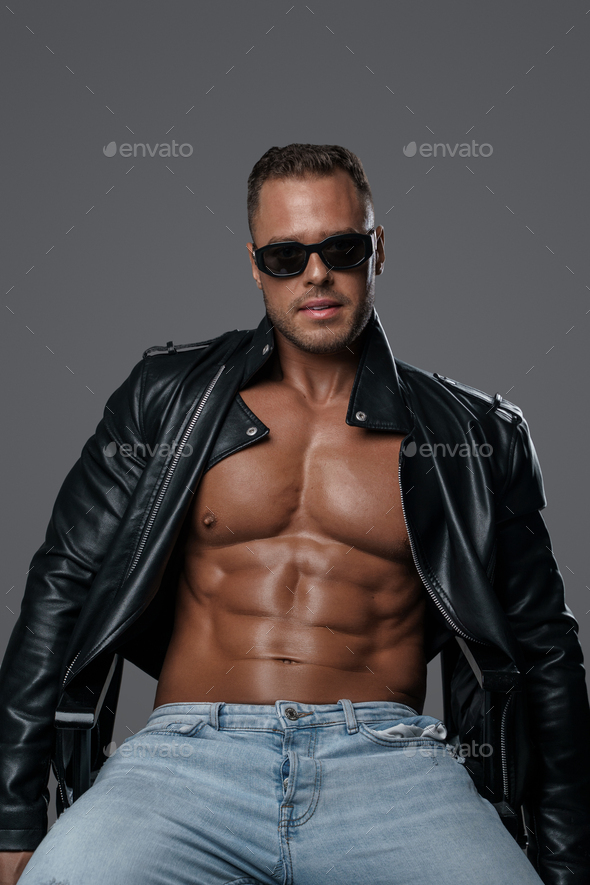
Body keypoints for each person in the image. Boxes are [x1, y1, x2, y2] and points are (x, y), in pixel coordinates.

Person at [0, 143, 588, 885]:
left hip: (393, 766)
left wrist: (566, 862)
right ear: (256, 265)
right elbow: (62, 585)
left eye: (340, 248)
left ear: (377, 249)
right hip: (183, 762)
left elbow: (545, 653)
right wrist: (12, 817)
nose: (316, 273)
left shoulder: (474, 434)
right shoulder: (163, 400)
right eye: (287, 255)